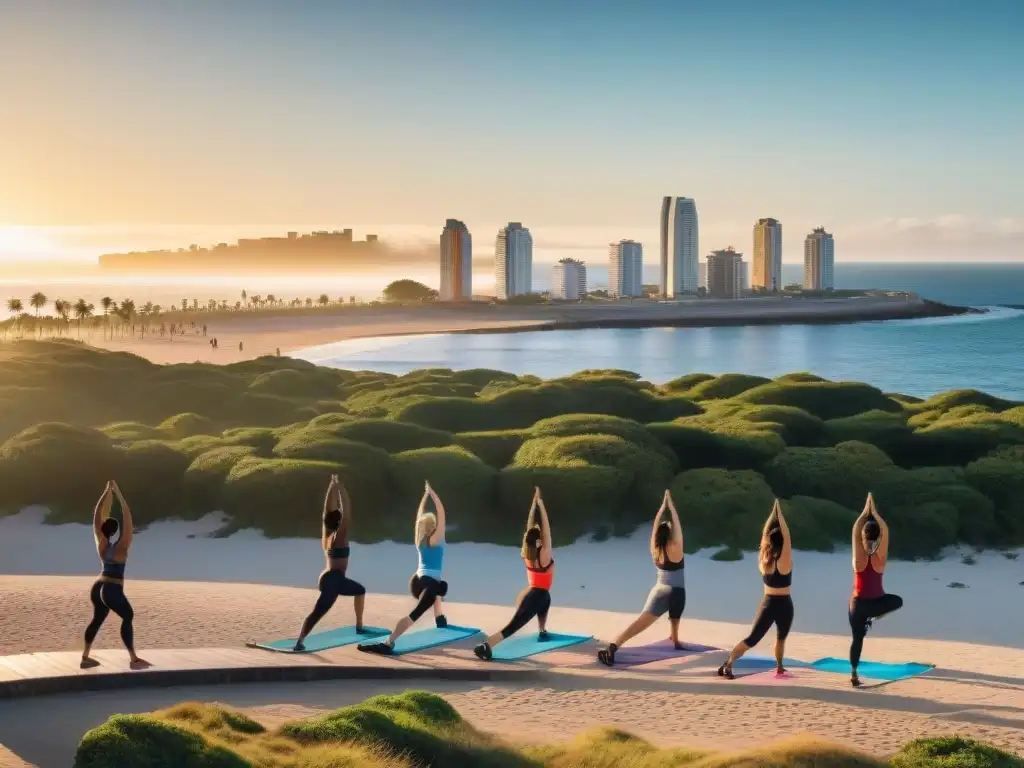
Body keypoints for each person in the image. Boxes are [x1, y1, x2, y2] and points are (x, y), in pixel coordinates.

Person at [359, 481, 448, 655]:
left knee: (440, 587)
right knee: (414, 615)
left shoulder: (419, 539)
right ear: (434, 525)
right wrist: (434, 494)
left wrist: (424, 496)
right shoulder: (436, 539)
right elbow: (442, 513)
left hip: (416, 583)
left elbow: (418, 517)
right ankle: (388, 642)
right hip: (429, 585)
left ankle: (440, 617)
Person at [598, 489, 685, 666]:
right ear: (670, 534)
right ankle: (675, 639)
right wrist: (671, 506)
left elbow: (655, 529)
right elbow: (678, 526)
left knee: (639, 623)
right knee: (675, 613)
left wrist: (661, 509)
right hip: (676, 592)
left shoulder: (654, 549)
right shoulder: (676, 547)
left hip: (659, 590)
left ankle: (613, 646)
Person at [474, 487, 554, 661]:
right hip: (534, 596)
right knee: (512, 627)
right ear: (539, 539)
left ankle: (542, 630)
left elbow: (529, 529)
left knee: (547, 599)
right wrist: (541, 504)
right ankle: (486, 646)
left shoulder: (528, 553)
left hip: (533, 594)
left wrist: (534, 505)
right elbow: (547, 531)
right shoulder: (544, 554)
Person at [717, 499, 793, 679]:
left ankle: (729, 663)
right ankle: (779, 666)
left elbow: (764, 536)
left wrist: (772, 515)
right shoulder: (784, 562)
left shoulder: (763, 560)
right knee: (780, 638)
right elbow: (787, 537)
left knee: (752, 639)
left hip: (768, 603)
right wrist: (779, 513)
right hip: (784, 604)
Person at [292, 475, 367, 651]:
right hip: (334, 580)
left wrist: (332, 486)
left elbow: (327, 510)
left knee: (359, 591)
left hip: (331, 578)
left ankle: (359, 625)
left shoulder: (327, 534)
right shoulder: (338, 535)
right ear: (340, 523)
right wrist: (341, 488)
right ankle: (299, 642)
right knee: (319, 611)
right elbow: (346, 511)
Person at [81, 481, 149, 670]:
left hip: (98, 585)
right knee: (128, 616)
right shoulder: (121, 547)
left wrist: (105, 493)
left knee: (97, 618)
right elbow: (127, 518)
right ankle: (134, 659)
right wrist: (118, 493)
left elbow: (96, 516)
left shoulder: (101, 544)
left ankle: (85, 656)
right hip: (111, 588)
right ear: (116, 530)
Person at [849, 493, 903, 687]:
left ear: (863, 536)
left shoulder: (858, 560)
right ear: (877, 536)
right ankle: (875, 617)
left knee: (857, 639)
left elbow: (855, 532)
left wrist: (865, 512)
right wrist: (876, 514)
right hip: (876, 604)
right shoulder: (880, 560)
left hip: (857, 605)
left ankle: (853, 674)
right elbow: (885, 534)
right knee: (897, 601)